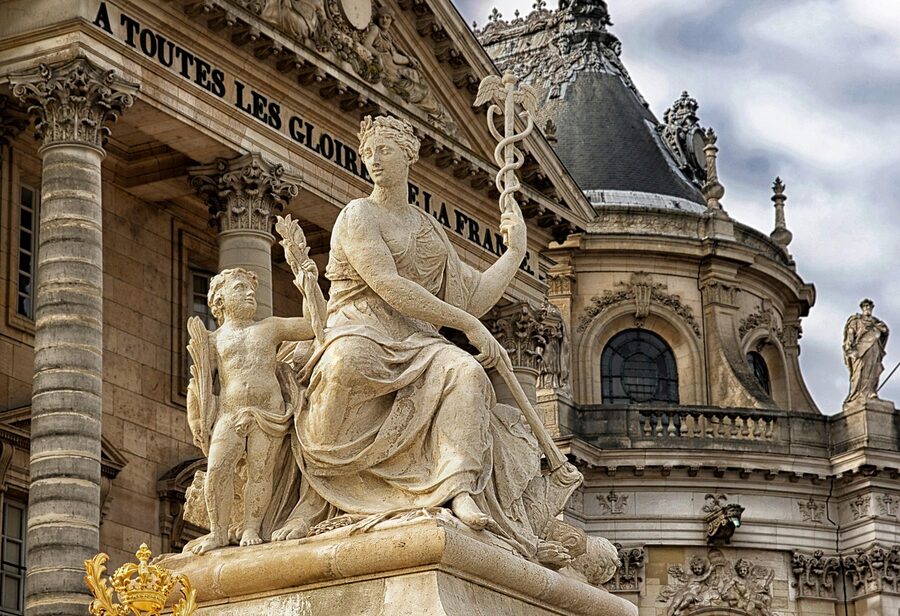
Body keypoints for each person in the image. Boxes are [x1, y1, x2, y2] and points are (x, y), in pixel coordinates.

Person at [273, 116, 578, 562]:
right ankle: (318, 491)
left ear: (409, 156)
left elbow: (471, 297)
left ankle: (457, 488)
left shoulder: (428, 230)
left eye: (385, 151)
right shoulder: (358, 215)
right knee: (346, 363)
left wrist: (514, 253)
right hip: (358, 325)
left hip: (417, 338)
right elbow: (388, 284)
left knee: (467, 372)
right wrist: (468, 325)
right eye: (368, 153)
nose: (374, 161)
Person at [185, 268, 315, 554]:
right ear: (219, 299)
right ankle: (218, 533)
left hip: (268, 412)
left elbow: (312, 325)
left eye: (252, 290)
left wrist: (307, 286)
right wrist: (196, 419)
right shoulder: (213, 340)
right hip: (229, 413)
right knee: (217, 470)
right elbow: (199, 381)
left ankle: (251, 528)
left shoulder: (270, 327)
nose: (249, 294)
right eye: (240, 288)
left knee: (260, 471)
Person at [843, 298, 890, 404]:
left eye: (869, 306)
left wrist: (877, 327)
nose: (867, 308)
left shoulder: (876, 322)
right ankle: (857, 394)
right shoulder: (856, 320)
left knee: (873, 369)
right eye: (865, 306)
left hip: (874, 347)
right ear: (862, 308)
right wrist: (849, 345)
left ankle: (871, 392)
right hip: (860, 350)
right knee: (859, 371)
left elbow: (885, 332)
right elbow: (850, 333)